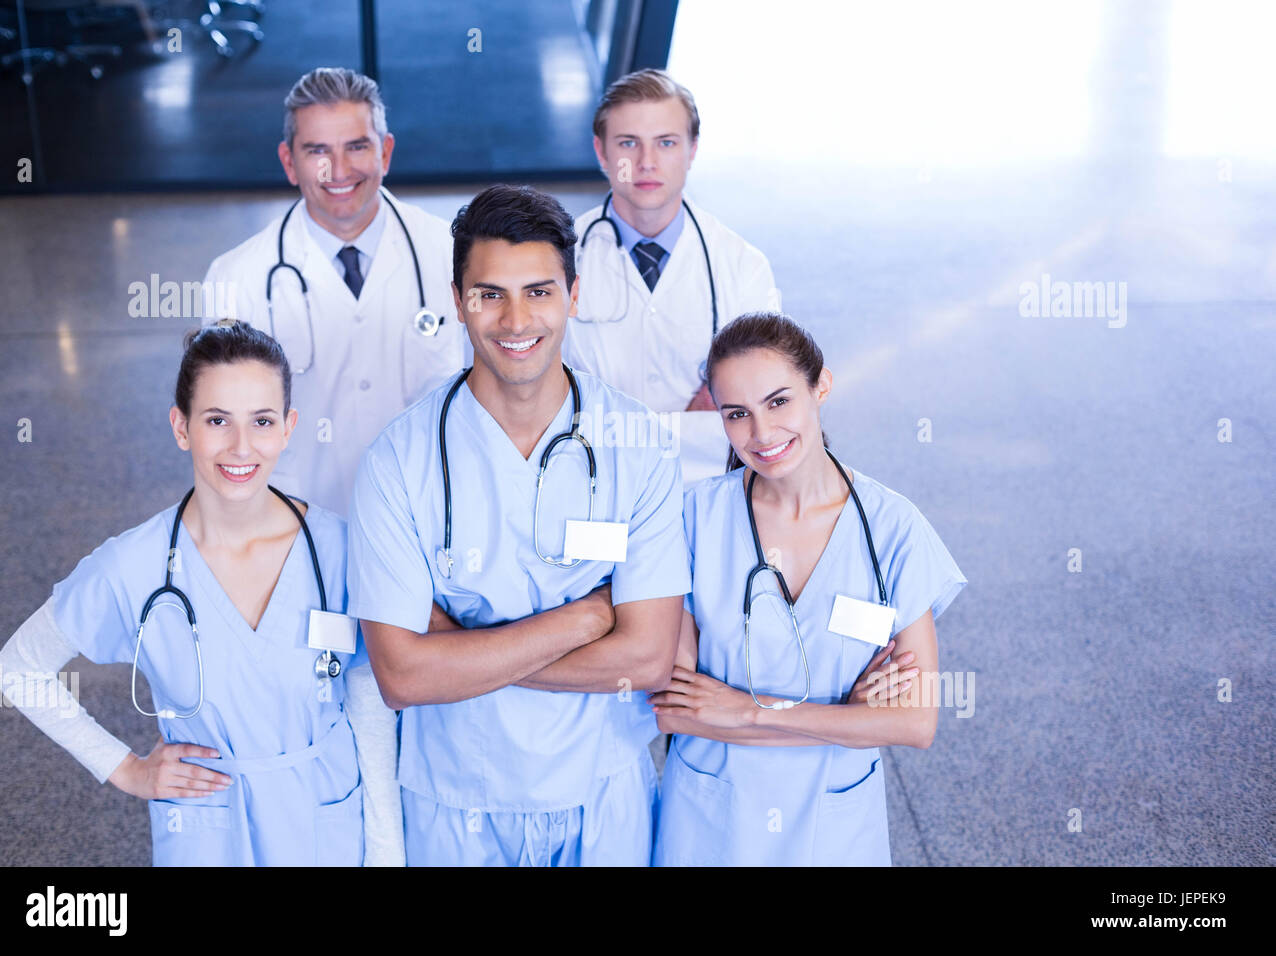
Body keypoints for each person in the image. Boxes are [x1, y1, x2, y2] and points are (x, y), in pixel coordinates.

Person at [347, 184, 689, 866]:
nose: (514, 319)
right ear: (457, 299)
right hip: (454, 805)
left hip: (603, 792)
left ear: (574, 293)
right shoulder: (398, 460)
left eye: (538, 291)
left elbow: (649, 658)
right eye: (489, 293)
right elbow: (403, 678)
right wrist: (590, 619)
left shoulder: (637, 444)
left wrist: (466, 651)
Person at [0, 322, 401, 866]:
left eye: (261, 421)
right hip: (206, 830)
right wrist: (126, 768)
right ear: (181, 427)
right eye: (216, 421)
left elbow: (368, 706)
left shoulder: (341, 550)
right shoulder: (132, 566)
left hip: (325, 823)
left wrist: (387, 855)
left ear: (288, 428)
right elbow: (19, 668)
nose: (240, 447)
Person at [650, 312, 967, 866]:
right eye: (737, 414)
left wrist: (744, 711)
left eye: (779, 402)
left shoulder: (892, 530)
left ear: (820, 385)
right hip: (712, 819)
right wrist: (846, 717)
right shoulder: (691, 519)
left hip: (835, 824)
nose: (762, 434)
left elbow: (914, 722)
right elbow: (676, 712)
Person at [202, 67, 466, 517]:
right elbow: (222, 437)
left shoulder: (452, 254)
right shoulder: (236, 279)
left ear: (385, 151)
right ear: (290, 163)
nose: (339, 170)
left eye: (357, 147)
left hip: (430, 518)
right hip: (297, 529)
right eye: (317, 151)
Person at [565, 68, 780, 485]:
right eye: (628, 143)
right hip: (591, 478)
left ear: (692, 150)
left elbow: (761, 385)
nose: (647, 162)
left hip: (709, 479)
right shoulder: (558, 260)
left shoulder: (742, 266)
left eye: (666, 143)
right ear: (601, 152)